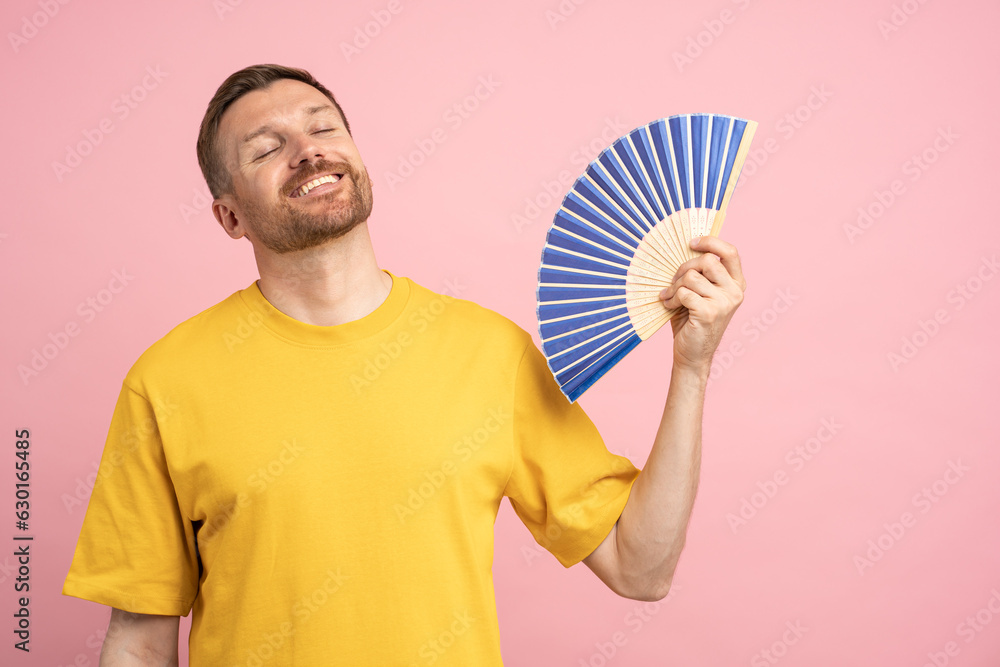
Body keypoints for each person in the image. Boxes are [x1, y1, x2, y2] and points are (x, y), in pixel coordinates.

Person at [62, 64, 747, 666]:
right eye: (267, 147)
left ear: (357, 157)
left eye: (322, 127)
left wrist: (692, 367)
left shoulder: (490, 353)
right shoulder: (166, 381)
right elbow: (139, 642)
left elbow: (640, 565)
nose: (307, 151)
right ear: (229, 215)